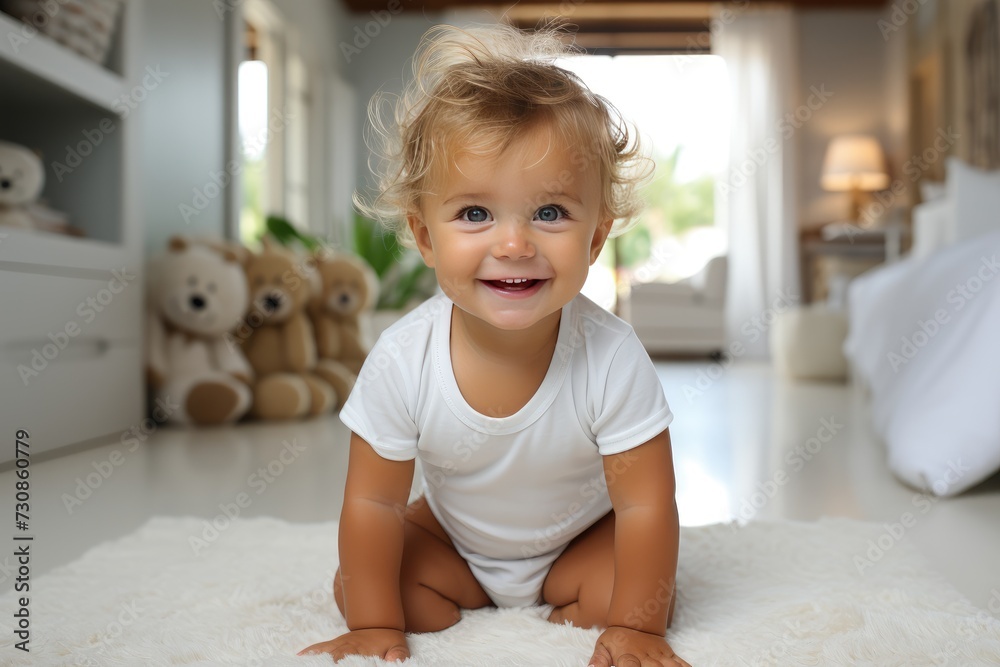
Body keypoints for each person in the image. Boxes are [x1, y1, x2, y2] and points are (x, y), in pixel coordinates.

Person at [299, 21, 688, 667]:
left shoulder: (613, 356)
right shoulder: (403, 357)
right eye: (475, 214)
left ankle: (576, 604)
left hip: (578, 543)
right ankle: (453, 598)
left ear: (595, 239)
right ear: (426, 237)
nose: (513, 244)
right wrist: (373, 624)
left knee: (636, 596)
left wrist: (637, 628)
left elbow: (646, 503)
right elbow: (373, 500)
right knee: (365, 587)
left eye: (550, 213)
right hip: (452, 544)